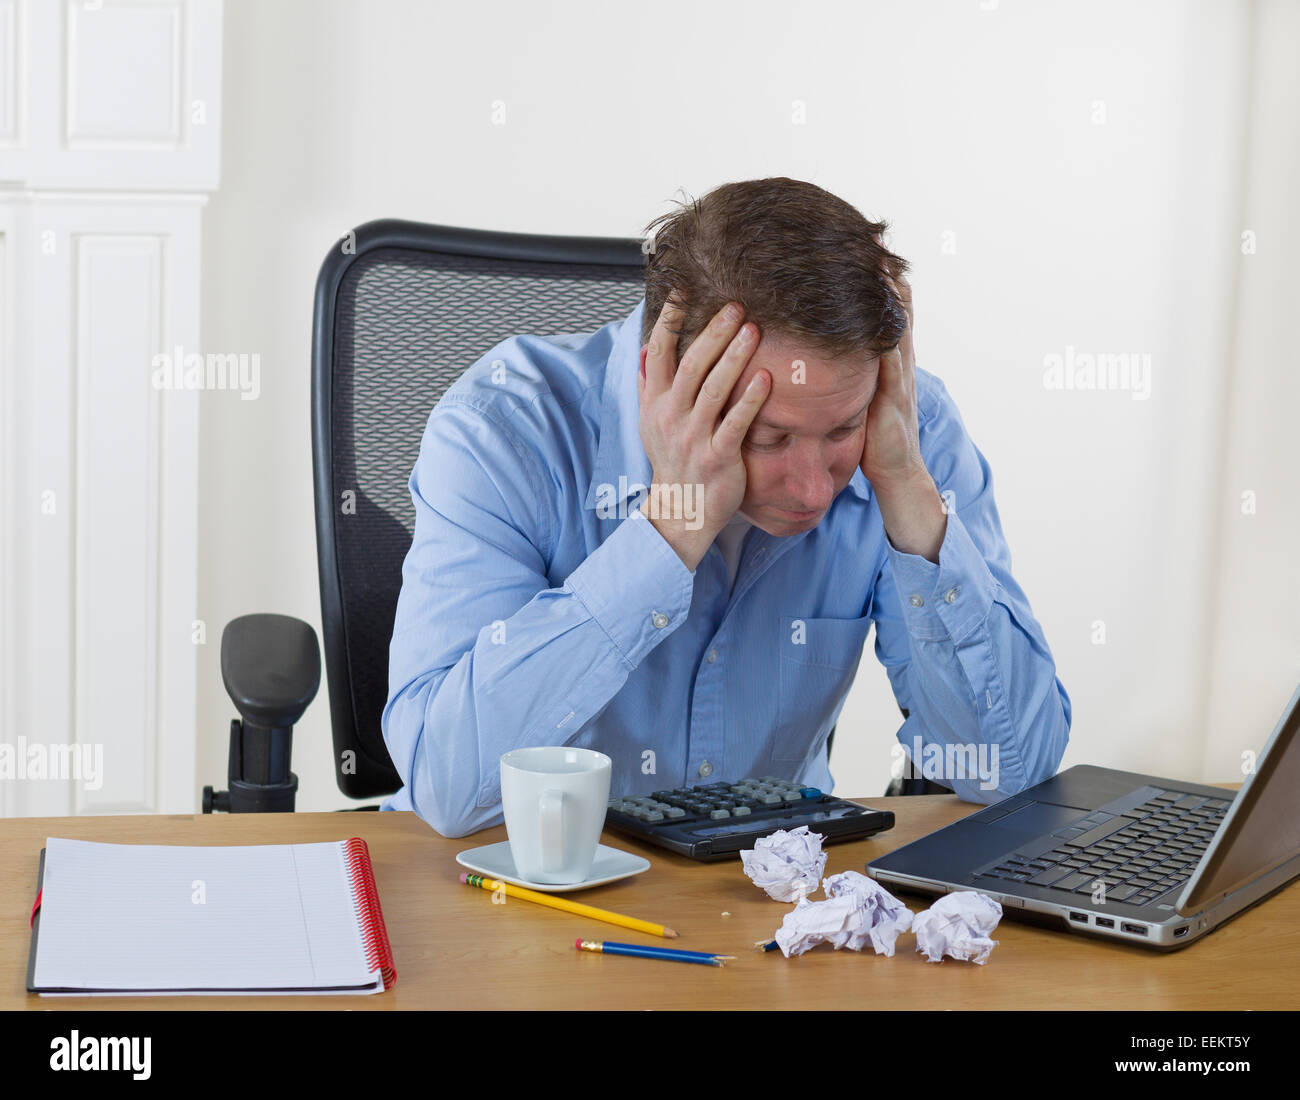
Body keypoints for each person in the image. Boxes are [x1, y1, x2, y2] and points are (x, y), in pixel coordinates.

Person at [380, 176, 1071, 837]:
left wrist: (908, 499)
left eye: (839, 431)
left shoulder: (905, 431)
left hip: (753, 899)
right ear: (662, 376)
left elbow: (1009, 776)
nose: (812, 490)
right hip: (513, 899)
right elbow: (446, 787)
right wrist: (667, 533)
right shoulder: (504, 429)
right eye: (768, 438)